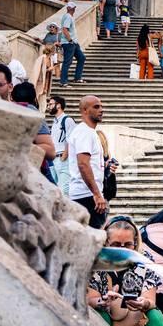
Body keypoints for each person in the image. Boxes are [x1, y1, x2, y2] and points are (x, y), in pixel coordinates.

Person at [87, 217, 163, 326]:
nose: (122, 249)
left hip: (135, 316)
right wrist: (102, 301)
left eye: (128, 244)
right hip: (104, 314)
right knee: (97, 316)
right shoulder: (96, 259)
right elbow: (90, 299)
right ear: (105, 242)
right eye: (116, 244)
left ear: (135, 242)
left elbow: (150, 300)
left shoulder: (144, 259)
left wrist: (143, 303)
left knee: (156, 318)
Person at [68, 95, 107, 228]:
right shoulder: (84, 132)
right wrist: (96, 194)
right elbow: (83, 164)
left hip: (87, 195)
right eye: (96, 107)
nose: (101, 110)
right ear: (84, 110)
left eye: (101, 106)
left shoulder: (89, 132)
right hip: (86, 196)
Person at [48, 95, 75, 194]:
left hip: (63, 160)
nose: (48, 106)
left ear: (58, 105)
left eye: (50, 104)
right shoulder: (55, 122)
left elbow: (71, 140)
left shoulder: (67, 120)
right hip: (54, 160)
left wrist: (64, 156)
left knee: (64, 190)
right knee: (55, 190)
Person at [56, 3, 86, 86]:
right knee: (67, 62)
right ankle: (63, 82)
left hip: (74, 43)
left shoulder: (69, 16)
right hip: (69, 43)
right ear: (74, 8)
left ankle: (77, 78)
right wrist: (70, 40)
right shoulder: (68, 17)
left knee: (81, 58)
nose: (71, 9)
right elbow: (65, 29)